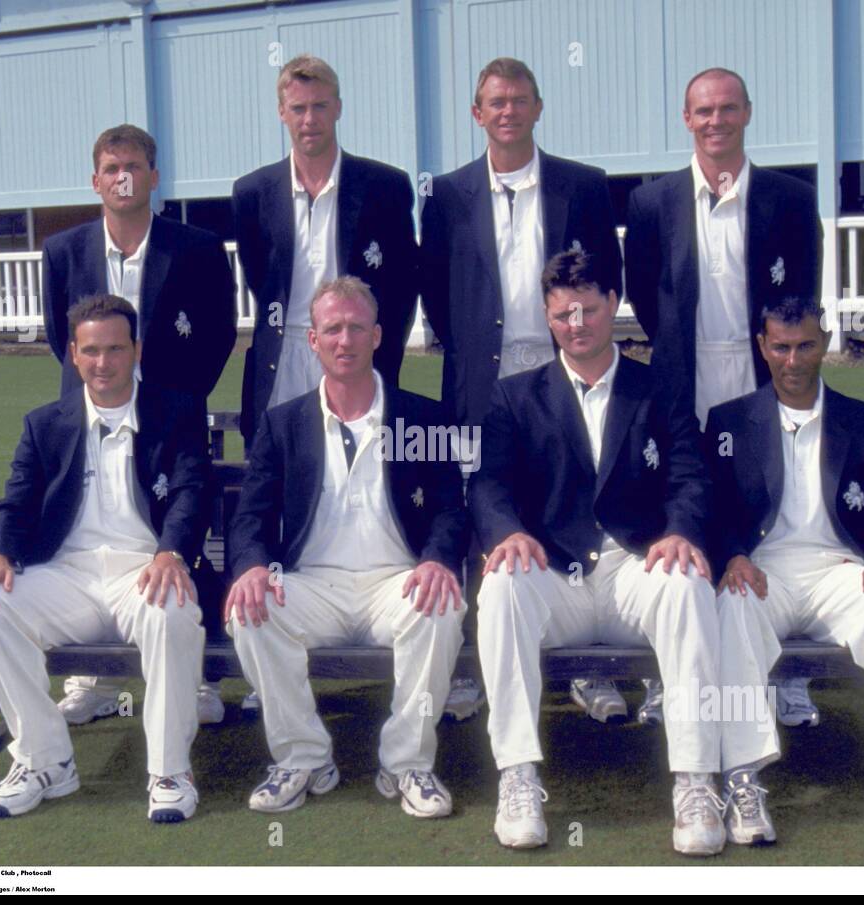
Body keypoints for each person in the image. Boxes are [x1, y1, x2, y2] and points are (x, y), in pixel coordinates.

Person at [469, 250, 725, 855]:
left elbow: (691, 476)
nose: (576, 323)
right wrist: (506, 531)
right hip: (557, 574)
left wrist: (681, 531)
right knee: (502, 584)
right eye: (562, 314)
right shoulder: (514, 398)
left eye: (587, 308)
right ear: (548, 317)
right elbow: (488, 485)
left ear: (614, 304)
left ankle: (694, 781)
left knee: (688, 584)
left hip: (636, 567)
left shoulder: (657, 389)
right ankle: (518, 776)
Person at [419, 56, 625, 723]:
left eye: (519, 100)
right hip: (481, 380)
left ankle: (591, 664)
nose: (507, 111)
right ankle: (480, 664)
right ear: (477, 114)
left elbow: (602, 275)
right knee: (486, 512)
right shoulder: (447, 194)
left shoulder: (583, 186)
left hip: (566, 367)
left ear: (538, 107)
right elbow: (435, 285)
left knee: (571, 498)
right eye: (494, 102)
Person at [624, 66, 824, 729]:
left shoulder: (789, 200)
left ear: (747, 113)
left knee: (767, 507)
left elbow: (800, 300)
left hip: (762, 377)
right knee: (679, 514)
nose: (716, 121)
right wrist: (682, 356)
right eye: (703, 111)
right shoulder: (652, 202)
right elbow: (647, 295)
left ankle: (786, 671)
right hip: (684, 381)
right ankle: (669, 672)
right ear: (687, 120)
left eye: (728, 109)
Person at [224, 276, 468, 818]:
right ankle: (303, 756)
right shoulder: (283, 423)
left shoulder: (420, 417)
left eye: (357, 327)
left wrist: (436, 559)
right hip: (313, 585)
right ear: (313, 340)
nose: (344, 340)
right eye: (332, 328)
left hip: (397, 583)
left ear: (379, 336)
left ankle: (407, 764)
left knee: (442, 603)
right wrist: (251, 567)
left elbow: (452, 508)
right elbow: (251, 517)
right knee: (250, 608)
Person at [0, 294, 215, 823]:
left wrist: (171, 552)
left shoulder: (177, 411)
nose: (104, 363)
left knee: (171, 611)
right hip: (68, 575)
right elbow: (16, 500)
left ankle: (170, 770)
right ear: (73, 356)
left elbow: (193, 491)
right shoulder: (44, 424)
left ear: (137, 351)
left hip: (143, 570)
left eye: (116, 349)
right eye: (91, 351)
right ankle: (44, 761)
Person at [708, 297, 864, 846]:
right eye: (781, 347)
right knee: (731, 606)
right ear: (763, 348)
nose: (793, 359)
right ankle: (742, 778)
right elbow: (709, 513)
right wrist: (731, 556)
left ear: (826, 343)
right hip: (763, 572)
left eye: (806, 345)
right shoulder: (728, 423)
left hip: (841, 570)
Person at [42, 124, 236, 728]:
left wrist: (174, 402)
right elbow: (59, 337)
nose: (122, 176)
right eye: (110, 167)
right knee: (92, 536)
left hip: (170, 423)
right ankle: (92, 680)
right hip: (95, 419)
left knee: (181, 544)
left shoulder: (197, 248)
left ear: (154, 176)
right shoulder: (63, 251)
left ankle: (196, 676)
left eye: (134, 165)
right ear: (95, 179)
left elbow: (218, 335)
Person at [232, 54, 419, 448]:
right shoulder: (252, 193)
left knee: (362, 473)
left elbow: (403, 285)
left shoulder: (385, 186)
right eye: (298, 108)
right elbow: (260, 279)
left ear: (338, 107)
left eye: (319, 106)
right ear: (282, 112)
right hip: (284, 356)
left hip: (354, 352)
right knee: (282, 481)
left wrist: (376, 349)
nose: (309, 119)